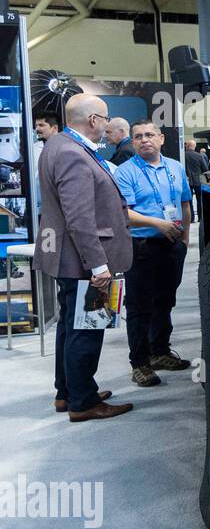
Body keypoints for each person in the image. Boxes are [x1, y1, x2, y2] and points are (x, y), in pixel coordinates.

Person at [32, 93, 134, 421]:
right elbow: (79, 217)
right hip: (84, 261)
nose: (106, 126)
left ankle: (69, 391)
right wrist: (99, 265)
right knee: (87, 328)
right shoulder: (73, 153)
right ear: (93, 120)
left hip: (70, 258)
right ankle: (84, 402)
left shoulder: (58, 146)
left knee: (70, 326)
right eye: (104, 119)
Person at [115, 121, 194, 387]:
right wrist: (157, 224)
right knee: (139, 307)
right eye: (138, 137)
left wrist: (184, 239)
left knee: (165, 301)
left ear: (161, 139)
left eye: (149, 135)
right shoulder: (125, 172)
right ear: (132, 142)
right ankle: (140, 363)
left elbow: (184, 202)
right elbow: (124, 213)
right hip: (141, 247)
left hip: (171, 246)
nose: (144, 140)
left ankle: (160, 352)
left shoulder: (175, 167)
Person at [183, 139, 209, 220]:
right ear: (194, 146)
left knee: (188, 201)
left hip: (187, 181)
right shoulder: (199, 156)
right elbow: (205, 169)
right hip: (198, 181)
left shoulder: (183, 155)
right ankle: (200, 218)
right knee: (199, 200)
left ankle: (191, 218)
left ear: (187, 146)